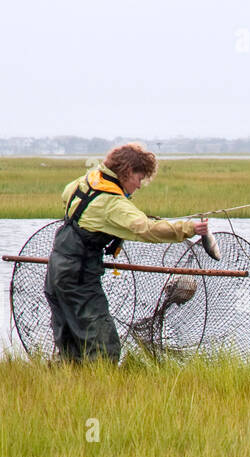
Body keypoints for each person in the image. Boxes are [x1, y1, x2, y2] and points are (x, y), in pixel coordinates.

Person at [44, 142, 208, 363]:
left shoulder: (85, 182)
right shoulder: (113, 204)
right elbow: (147, 229)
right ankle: (100, 390)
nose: (139, 186)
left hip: (56, 270)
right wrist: (189, 229)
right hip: (79, 275)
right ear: (128, 172)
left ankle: (70, 385)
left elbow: (66, 195)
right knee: (103, 344)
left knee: (69, 344)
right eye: (139, 179)